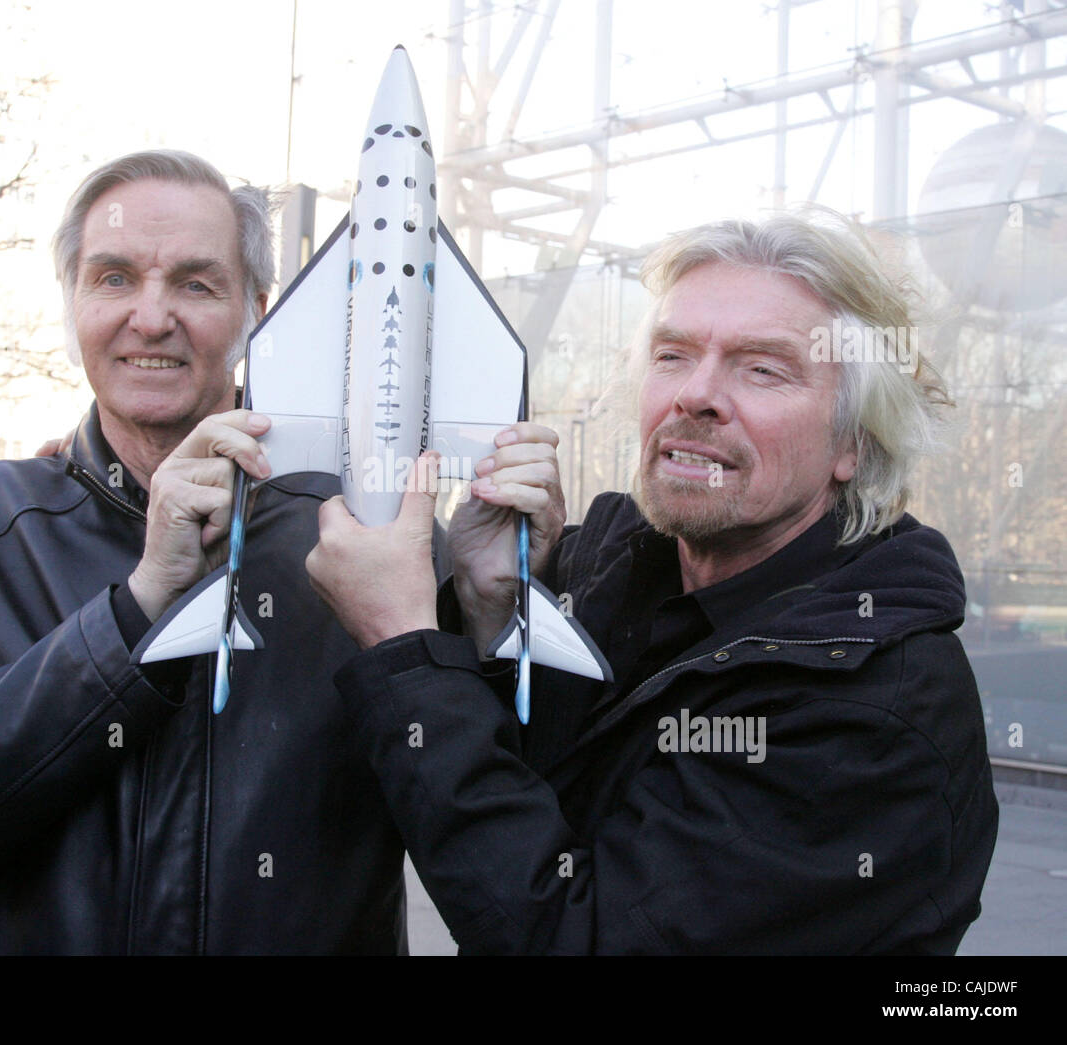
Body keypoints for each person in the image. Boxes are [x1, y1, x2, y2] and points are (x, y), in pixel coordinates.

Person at [305, 212, 1000, 954]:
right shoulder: (606, 572)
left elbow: (575, 934)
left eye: (761, 367)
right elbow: (531, 807)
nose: (694, 395)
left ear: (853, 444)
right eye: (672, 355)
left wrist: (402, 644)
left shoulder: (877, 711)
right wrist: (490, 607)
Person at [0, 150, 414, 954]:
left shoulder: (363, 530)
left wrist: (505, 599)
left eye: (196, 284)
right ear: (73, 305)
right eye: (112, 278)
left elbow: (494, 794)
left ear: (258, 313)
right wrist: (135, 610)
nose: (150, 316)